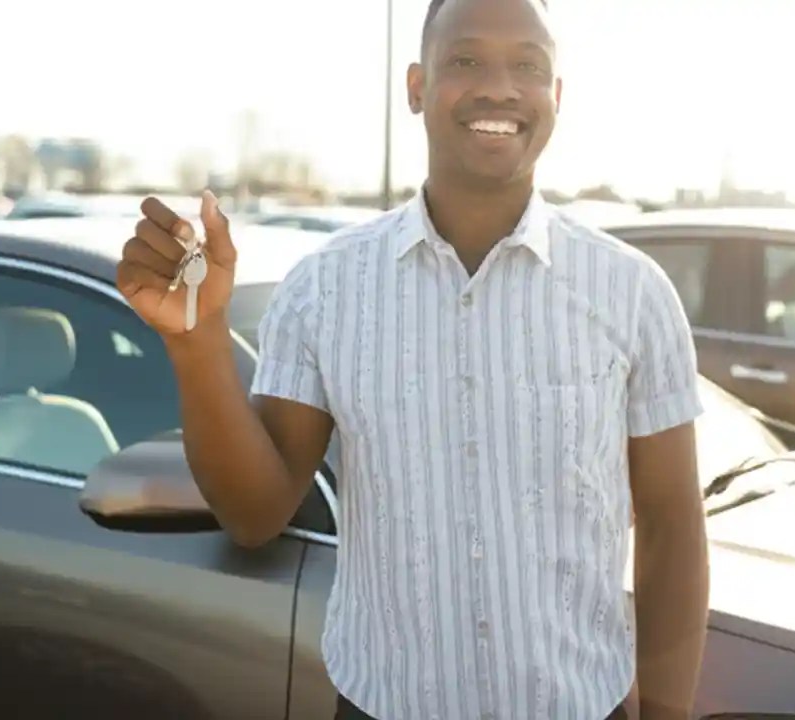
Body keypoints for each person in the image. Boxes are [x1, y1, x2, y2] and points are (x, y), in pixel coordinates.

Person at [116, 0, 709, 717]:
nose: (499, 87)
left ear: (556, 96)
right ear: (417, 86)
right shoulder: (325, 289)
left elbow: (673, 525)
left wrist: (669, 713)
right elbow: (255, 514)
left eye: (528, 64)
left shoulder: (633, 292)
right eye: (466, 60)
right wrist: (198, 341)